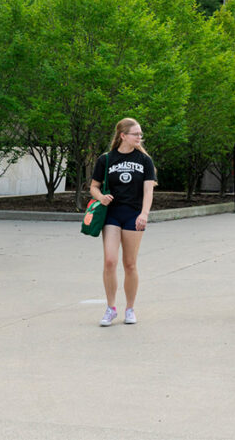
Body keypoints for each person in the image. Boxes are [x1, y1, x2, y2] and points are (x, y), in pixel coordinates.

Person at [89, 117, 156, 326]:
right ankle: (110, 308)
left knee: (130, 263)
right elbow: (94, 186)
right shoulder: (106, 159)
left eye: (140, 134)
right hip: (112, 215)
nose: (139, 137)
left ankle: (130, 308)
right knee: (110, 261)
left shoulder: (145, 161)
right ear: (123, 136)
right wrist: (101, 197)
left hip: (133, 215)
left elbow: (148, 190)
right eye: (136, 134)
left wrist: (144, 214)